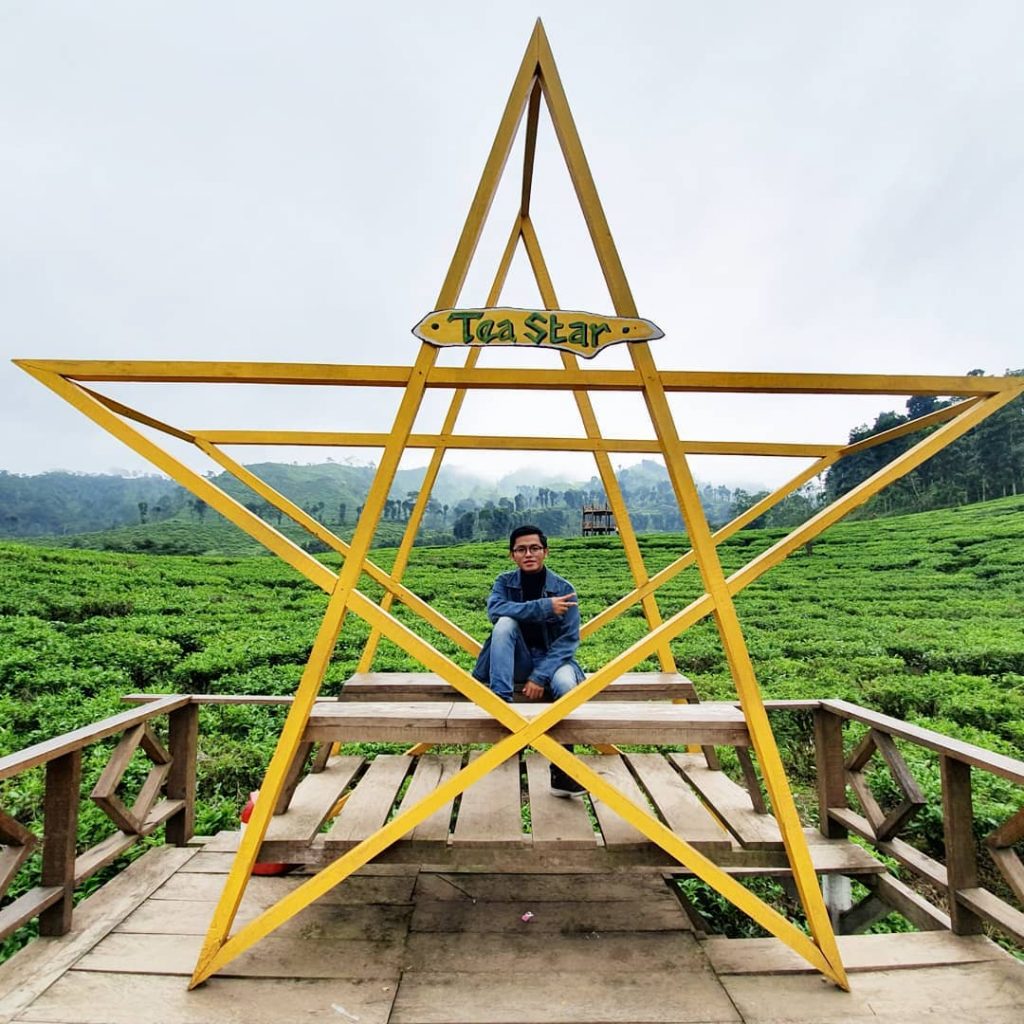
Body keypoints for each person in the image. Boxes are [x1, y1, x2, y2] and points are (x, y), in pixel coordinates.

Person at [472, 524, 586, 797]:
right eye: (521, 549)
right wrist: (544, 606)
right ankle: (503, 708)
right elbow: (495, 610)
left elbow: (568, 641)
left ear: (546, 551)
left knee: (566, 687)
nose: (528, 554)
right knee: (504, 623)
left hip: (554, 661)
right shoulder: (504, 582)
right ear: (512, 555)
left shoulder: (564, 589)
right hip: (518, 659)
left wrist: (539, 676)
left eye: (534, 548)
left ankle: (563, 772)